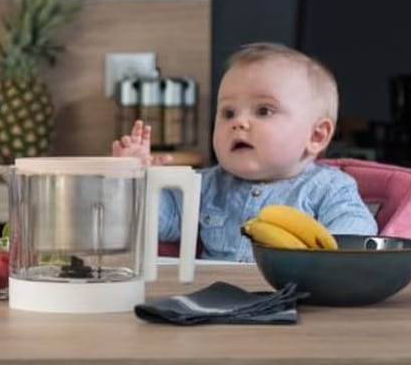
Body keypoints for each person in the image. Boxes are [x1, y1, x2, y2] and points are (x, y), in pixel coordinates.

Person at [112, 42, 377, 261]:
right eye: (227, 113)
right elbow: (152, 223)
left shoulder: (330, 187)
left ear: (316, 136)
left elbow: (355, 233)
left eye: (264, 110)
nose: (238, 122)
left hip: (294, 303)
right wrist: (132, 179)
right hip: (213, 303)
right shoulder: (203, 186)